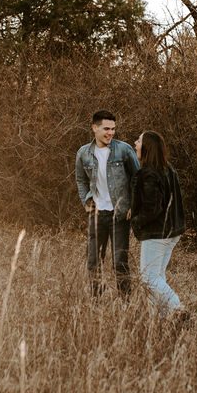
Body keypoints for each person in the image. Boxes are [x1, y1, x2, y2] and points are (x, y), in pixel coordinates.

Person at [75, 109, 141, 296]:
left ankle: (125, 301)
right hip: (96, 214)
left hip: (119, 214)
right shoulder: (84, 153)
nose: (110, 133)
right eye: (106, 129)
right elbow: (80, 180)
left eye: (113, 129)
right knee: (93, 261)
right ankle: (96, 301)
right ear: (94, 128)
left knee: (119, 261)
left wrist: (132, 204)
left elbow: (138, 178)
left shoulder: (124, 150)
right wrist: (86, 201)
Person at [130, 130, 186, 317]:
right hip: (172, 232)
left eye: (139, 141)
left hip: (157, 233)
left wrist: (135, 221)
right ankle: (161, 317)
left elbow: (152, 208)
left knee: (148, 278)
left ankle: (177, 309)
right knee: (158, 275)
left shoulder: (149, 174)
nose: (135, 143)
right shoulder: (168, 169)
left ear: (147, 147)